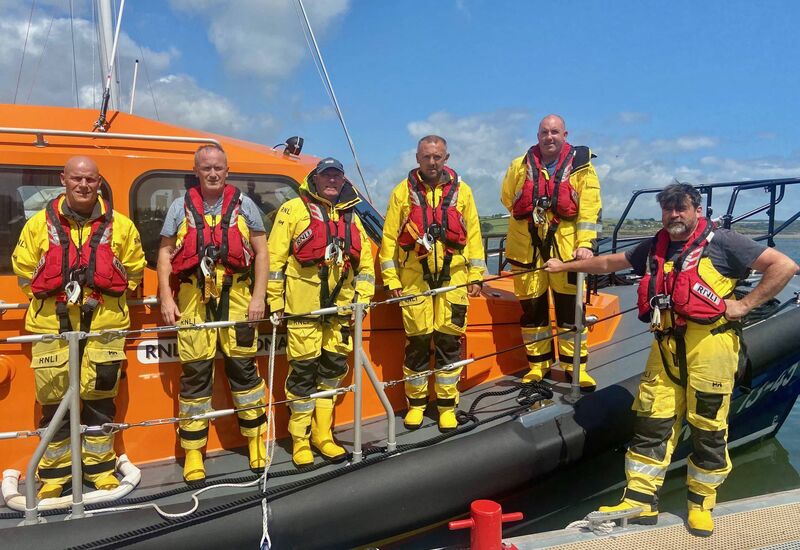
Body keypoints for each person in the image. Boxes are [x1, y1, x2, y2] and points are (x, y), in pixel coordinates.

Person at [544, 182, 799, 536]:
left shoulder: (725, 242)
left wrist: (743, 305)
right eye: (668, 208)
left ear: (697, 209)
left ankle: (701, 503)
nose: (674, 215)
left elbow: (783, 265)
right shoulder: (655, 246)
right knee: (652, 423)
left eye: (681, 207)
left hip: (710, 347)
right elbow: (609, 260)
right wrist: (566, 266)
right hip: (664, 348)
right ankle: (640, 501)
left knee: (708, 427)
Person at [12, 156, 146, 499]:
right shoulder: (37, 226)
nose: (83, 185)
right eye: (76, 179)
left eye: (90, 179)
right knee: (54, 402)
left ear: (99, 182)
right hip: (52, 326)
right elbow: (24, 272)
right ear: (64, 180)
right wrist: (51, 295)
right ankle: (54, 475)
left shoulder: (122, 226)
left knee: (101, 402)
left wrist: (105, 295)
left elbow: (133, 272)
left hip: (104, 328)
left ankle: (100, 470)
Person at [157, 144, 269, 482]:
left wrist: (258, 298)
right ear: (196, 171)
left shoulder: (245, 205)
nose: (213, 173)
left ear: (227, 170)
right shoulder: (179, 207)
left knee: (244, 371)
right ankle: (193, 453)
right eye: (206, 167)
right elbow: (164, 255)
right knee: (194, 375)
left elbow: (262, 253)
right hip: (193, 297)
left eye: (218, 167)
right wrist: (166, 297)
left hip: (236, 294)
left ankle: (255, 442)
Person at [267, 157, 375, 467]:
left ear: (342, 181)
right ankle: (299, 439)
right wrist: (276, 304)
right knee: (302, 376)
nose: (331, 181)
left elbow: (365, 266)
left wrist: (362, 300)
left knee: (331, 374)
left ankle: (322, 435)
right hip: (302, 313)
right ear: (315, 179)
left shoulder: (351, 218)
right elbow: (275, 263)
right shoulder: (292, 211)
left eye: (336, 176)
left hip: (340, 313)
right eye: (325, 175)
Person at [379, 136, 485, 432]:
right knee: (418, 342)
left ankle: (447, 406)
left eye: (437, 156)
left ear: (446, 157)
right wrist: (390, 279)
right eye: (427, 157)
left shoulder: (463, 192)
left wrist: (476, 275)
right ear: (417, 158)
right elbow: (388, 239)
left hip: (454, 279)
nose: (432, 162)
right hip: (414, 281)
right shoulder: (401, 193)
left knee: (449, 343)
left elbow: (474, 235)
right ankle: (416, 405)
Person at [500, 114, 602, 390]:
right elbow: (508, 198)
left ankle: (575, 368)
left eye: (555, 132)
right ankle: (538, 365)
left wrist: (585, 244)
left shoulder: (582, 169)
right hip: (526, 251)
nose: (549, 137)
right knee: (532, 313)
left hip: (567, 251)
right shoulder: (519, 166)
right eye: (544, 132)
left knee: (571, 312)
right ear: (538, 136)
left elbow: (589, 210)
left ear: (565, 135)